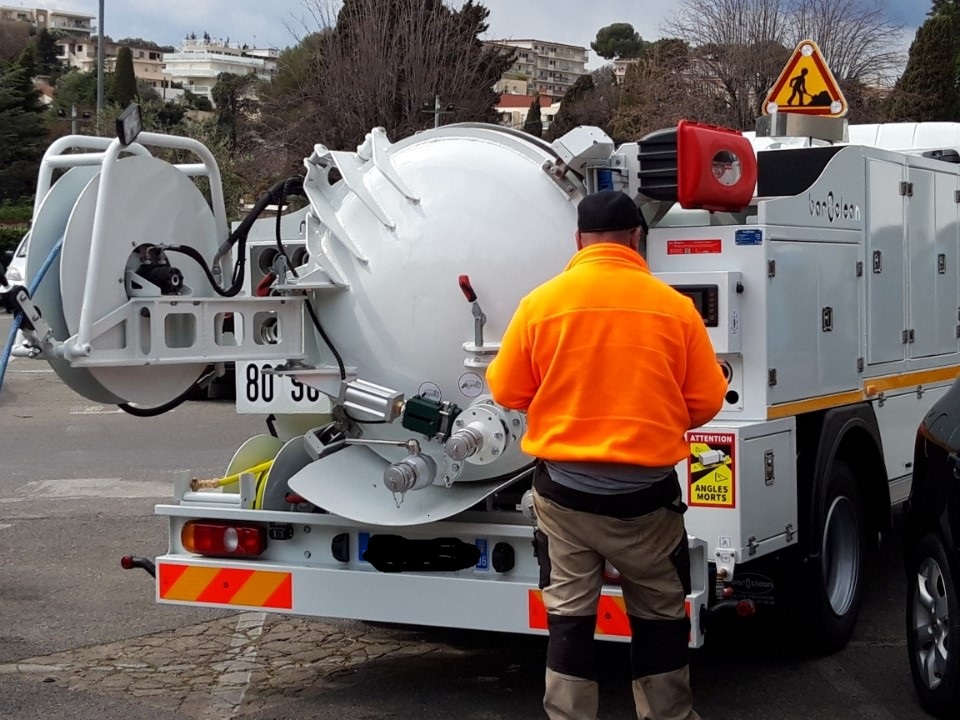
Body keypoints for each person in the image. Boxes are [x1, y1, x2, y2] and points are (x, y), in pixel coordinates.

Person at [485, 190, 727, 720]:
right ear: (637, 238)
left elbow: (505, 390)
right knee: (661, 617)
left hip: (565, 499)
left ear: (578, 241)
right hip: (646, 502)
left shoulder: (541, 303)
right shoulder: (675, 309)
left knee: (569, 618)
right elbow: (707, 400)